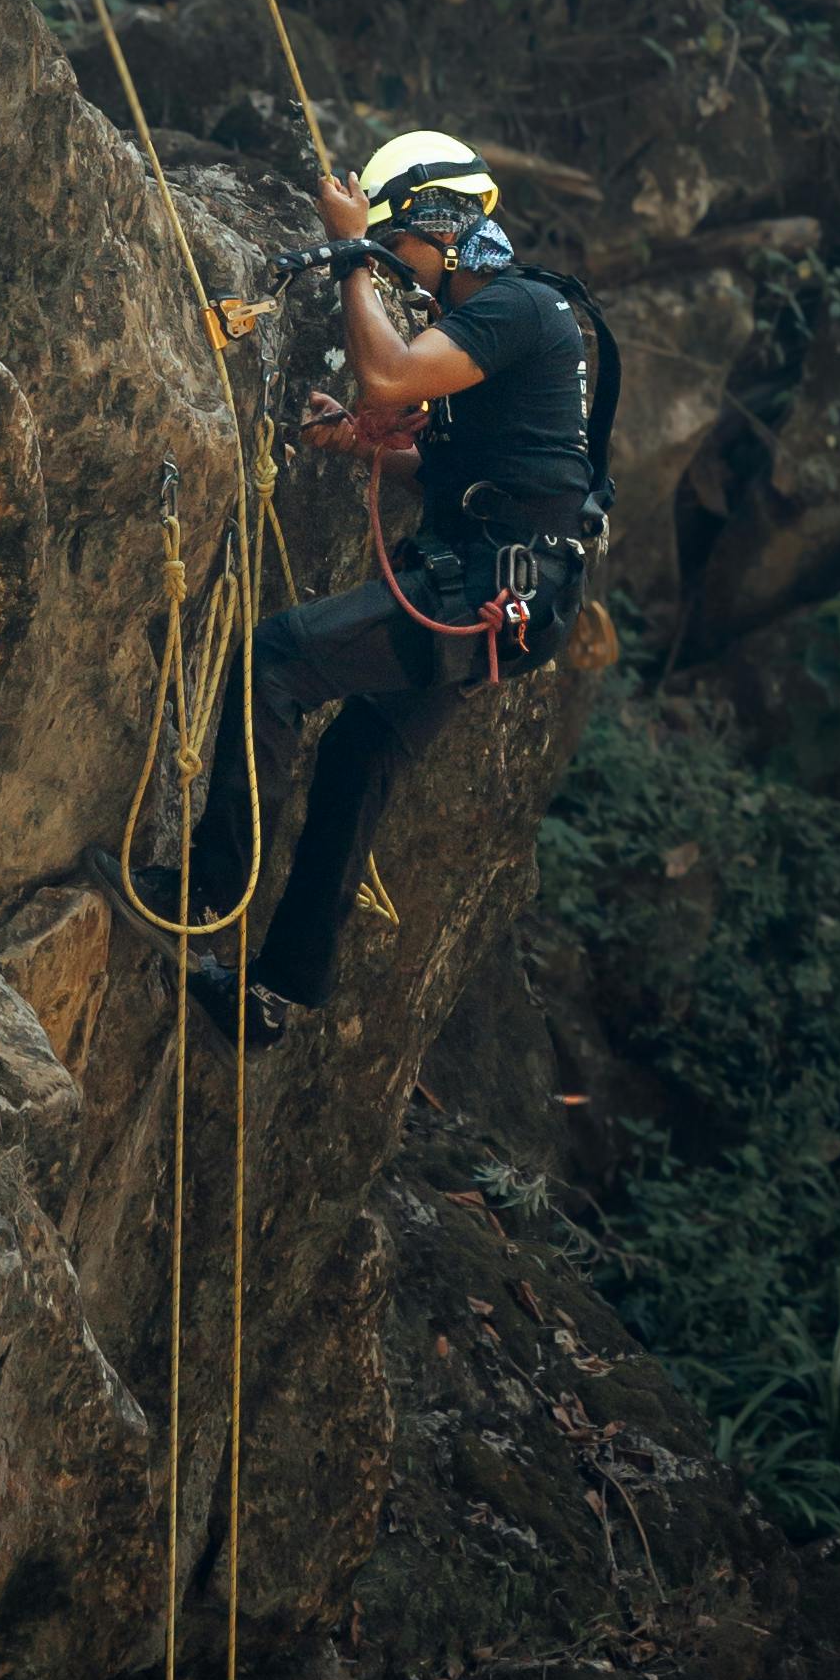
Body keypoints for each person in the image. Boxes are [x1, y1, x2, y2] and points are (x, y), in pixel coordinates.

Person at [92, 129, 607, 1046]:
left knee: (277, 659)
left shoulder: (517, 308)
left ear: (440, 227)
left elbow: (386, 373)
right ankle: (276, 994)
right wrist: (373, 446)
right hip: (511, 594)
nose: (401, 270)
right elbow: (486, 466)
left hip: (491, 590)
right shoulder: (506, 317)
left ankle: (208, 889)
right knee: (359, 758)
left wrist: (354, 255)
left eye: (402, 242)